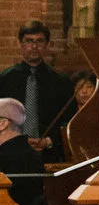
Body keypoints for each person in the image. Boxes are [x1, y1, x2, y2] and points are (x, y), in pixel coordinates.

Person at [0, 23, 75, 162]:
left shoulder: (61, 82)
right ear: (20, 44)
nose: (34, 46)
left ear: (47, 45)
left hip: (49, 155)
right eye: (29, 41)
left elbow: (69, 120)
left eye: (39, 41)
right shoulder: (4, 80)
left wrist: (48, 141)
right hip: (8, 154)